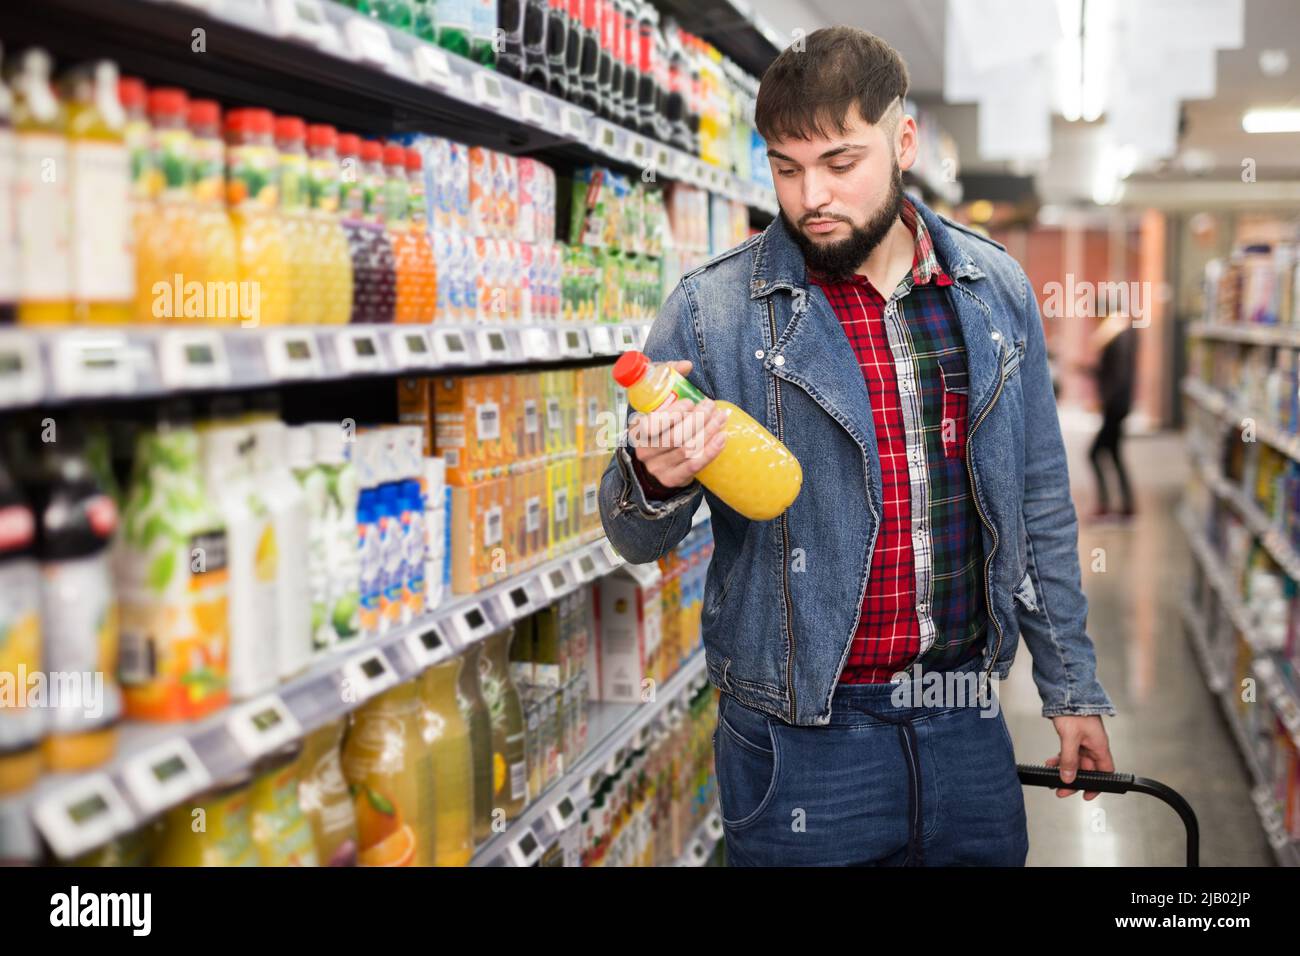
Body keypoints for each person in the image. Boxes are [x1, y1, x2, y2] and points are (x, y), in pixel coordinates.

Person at [598, 26, 1115, 866]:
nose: (812, 198)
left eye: (841, 163)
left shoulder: (990, 291)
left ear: (903, 140)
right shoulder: (712, 309)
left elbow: (1038, 502)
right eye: (787, 168)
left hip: (963, 715)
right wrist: (651, 479)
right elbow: (633, 536)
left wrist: (1071, 688)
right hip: (802, 735)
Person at [1084, 307, 1138, 521]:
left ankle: (1106, 505)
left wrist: (1104, 401)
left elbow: (1119, 376)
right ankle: (1126, 507)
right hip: (1117, 406)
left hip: (1115, 408)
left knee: (1094, 453)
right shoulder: (1120, 333)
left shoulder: (1118, 334)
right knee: (1114, 455)